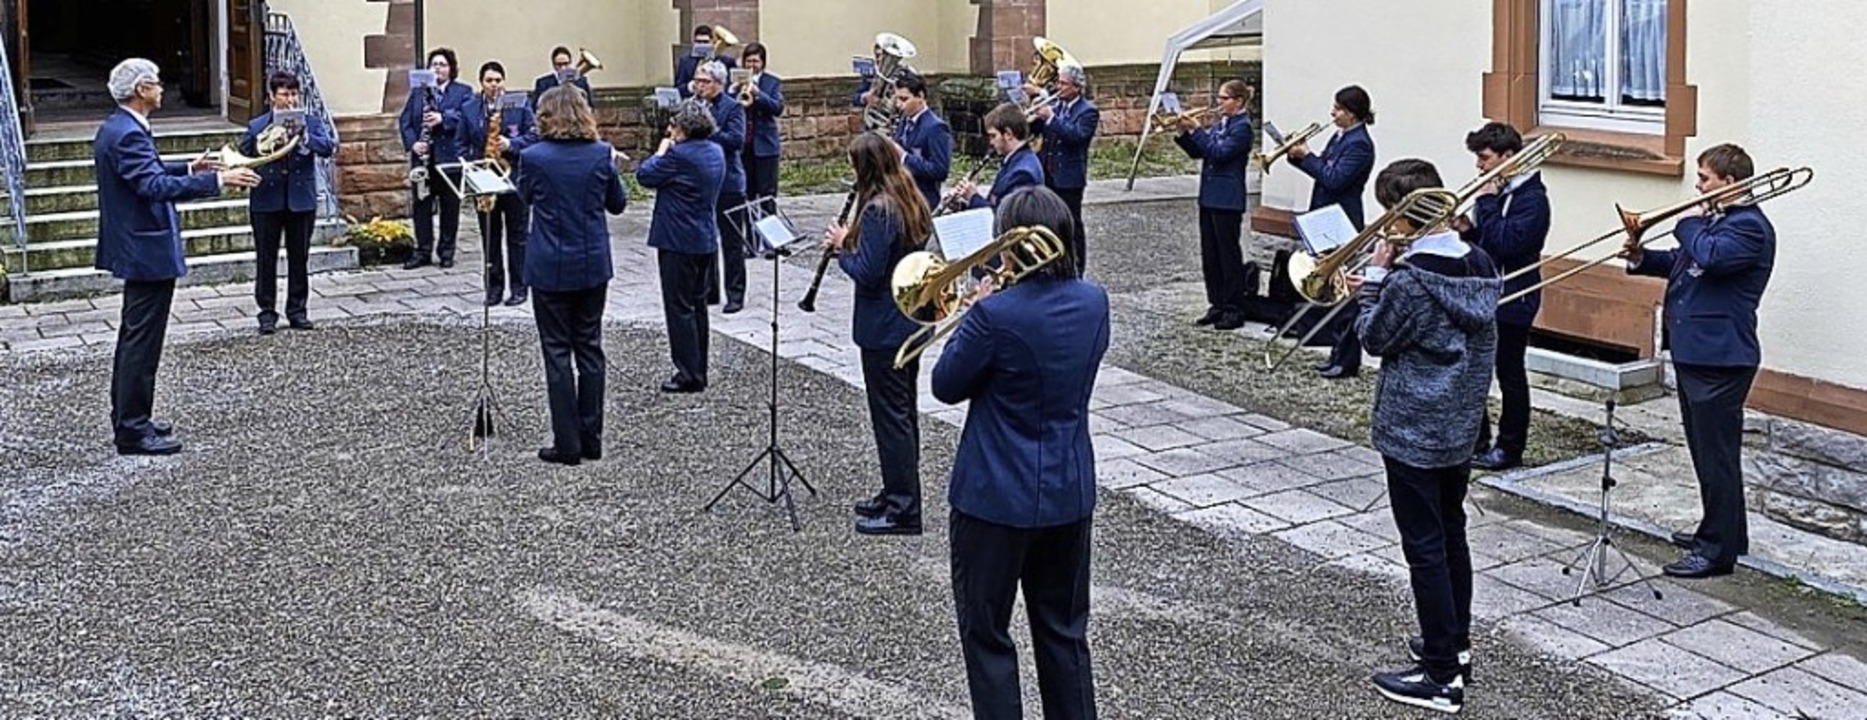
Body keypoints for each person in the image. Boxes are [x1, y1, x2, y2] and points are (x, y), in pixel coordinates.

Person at [932, 186, 1110, 720]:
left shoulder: (994, 315)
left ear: (1009, 244)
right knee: (1064, 632)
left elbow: (946, 384)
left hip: (993, 497)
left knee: (987, 635)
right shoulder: (1094, 301)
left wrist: (973, 314)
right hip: (1067, 490)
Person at [1349, 159, 1498, 714]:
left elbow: (1374, 337)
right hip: (1459, 422)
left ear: (1401, 214)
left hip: (1413, 425)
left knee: (1425, 549)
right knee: (1451, 533)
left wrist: (1374, 282)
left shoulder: (1412, 280)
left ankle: (1440, 676)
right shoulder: (1479, 261)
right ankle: (1454, 644)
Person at [93, 58, 259, 455]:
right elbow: (151, 185)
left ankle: (132, 418)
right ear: (141, 90)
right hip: (145, 248)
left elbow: (145, 171)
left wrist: (188, 167)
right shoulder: (128, 133)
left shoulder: (120, 127)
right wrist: (217, 179)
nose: (161, 87)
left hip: (138, 245)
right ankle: (133, 429)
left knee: (136, 338)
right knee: (141, 342)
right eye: (155, 82)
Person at [1628, 144, 1776, 580]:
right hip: (1699, 352)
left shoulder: (1749, 227)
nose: (1697, 187)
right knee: (1708, 453)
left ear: (1729, 182)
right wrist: (1640, 257)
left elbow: (1710, 256)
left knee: (1716, 458)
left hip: (1720, 357)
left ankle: (1716, 552)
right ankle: (1727, 533)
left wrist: (1686, 221)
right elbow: (1685, 262)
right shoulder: (1718, 223)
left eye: (1705, 179)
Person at [822, 133, 934, 535]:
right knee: (902, 412)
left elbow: (868, 273)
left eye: (854, 164)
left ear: (866, 167)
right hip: (910, 319)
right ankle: (897, 491)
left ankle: (904, 509)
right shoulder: (910, 197)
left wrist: (841, 248)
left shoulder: (878, 210)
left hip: (885, 327)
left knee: (891, 419)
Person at [519, 86, 628, 465]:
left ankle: (567, 444)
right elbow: (618, 204)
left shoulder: (533, 157)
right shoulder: (601, 153)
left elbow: (524, 197)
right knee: (590, 348)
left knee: (556, 352)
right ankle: (591, 438)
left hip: (549, 264)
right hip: (591, 262)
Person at [1456, 122, 1550, 471]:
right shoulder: (1501, 191)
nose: (1479, 166)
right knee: (1471, 368)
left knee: (1509, 373)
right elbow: (1488, 245)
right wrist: (1468, 231)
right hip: (1485, 291)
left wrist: (1485, 203)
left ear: (1507, 156)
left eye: (1484, 158)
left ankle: (1510, 448)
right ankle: (1475, 440)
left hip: (1515, 297)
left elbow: (1508, 244)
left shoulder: (1533, 200)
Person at [1289, 84, 1377, 379]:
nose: (1333, 113)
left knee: (1344, 292)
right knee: (1331, 289)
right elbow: (1322, 172)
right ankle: (1335, 352)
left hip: (1342, 221)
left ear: (1352, 113)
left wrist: (1308, 156)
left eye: (1338, 109)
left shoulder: (1359, 144)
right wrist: (1295, 156)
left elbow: (1335, 179)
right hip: (1325, 218)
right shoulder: (1341, 136)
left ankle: (1347, 358)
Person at [637, 100, 725, 393]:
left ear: (685, 128)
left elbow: (645, 175)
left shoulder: (678, 155)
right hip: (704, 238)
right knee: (698, 306)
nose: (669, 130)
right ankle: (699, 368)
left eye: (673, 125)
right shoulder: (715, 150)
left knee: (679, 308)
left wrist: (661, 151)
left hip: (678, 240)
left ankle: (687, 373)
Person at [241, 70, 335, 335]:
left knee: (299, 258)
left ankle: (297, 311)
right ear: (272, 97)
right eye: (284, 94)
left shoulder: (311, 123)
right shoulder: (257, 126)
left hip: (300, 199)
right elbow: (243, 155)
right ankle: (266, 313)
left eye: (294, 94)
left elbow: (328, 147)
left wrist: (304, 138)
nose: (291, 100)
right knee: (266, 258)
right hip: (266, 199)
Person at [1173, 79, 1254, 331]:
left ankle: (1233, 307)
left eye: (1224, 98)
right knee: (1210, 254)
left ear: (1238, 101)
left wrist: (1197, 129)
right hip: (1209, 195)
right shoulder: (1222, 124)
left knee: (1228, 255)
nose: (1218, 102)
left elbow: (1219, 153)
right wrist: (1184, 134)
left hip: (1227, 198)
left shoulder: (1243, 127)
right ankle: (1216, 303)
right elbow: (1201, 152)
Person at [398, 47, 476, 270]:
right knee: (421, 206)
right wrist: (414, 144)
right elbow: (405, 121)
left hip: (449, 159)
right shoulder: (419, 93)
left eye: (443, 64)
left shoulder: (463, 91)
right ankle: (422, 251)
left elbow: (467, 117)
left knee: (450, 207)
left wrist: (443, 118)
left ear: (451, 69)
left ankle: (446, 251)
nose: (438, 69)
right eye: (434, 64)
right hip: (423, 160)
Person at [471, 60, 538, 307]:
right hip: (485, 180)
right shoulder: (470, 108)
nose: (494, 85)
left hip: (514, 178)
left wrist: (511, 144)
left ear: (504, 82)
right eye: (489, 81)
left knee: (518, 237)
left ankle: (519, 288)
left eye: (498, 80)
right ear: (481, 83)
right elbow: (461, 142)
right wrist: (474, 166)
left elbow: (534, 136)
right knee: (490, 238)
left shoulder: (520, 105)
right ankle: (493, 289)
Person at [1027, 64, 1100, 272]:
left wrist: (1050, 117)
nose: (1059, 88)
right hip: (1047, 174)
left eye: (1064, 84)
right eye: (1058, 83)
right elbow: (1036, 131)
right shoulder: (1056, 106)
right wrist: (1032, 113)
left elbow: (1076, 136)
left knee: (1071, 223)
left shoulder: (1088, 111)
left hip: (1069, 178)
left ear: (1077, 87)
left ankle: (1077, 267)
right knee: (1047, 220)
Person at [691, 60, 750, 314]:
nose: (699, 86)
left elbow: (736, 141)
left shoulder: (733, 107)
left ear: (718, 83)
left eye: (704, 82)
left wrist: (706, 129)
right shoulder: (694, 105)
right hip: (702, 182)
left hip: (728, 183)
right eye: (697, 81)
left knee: (732, 242)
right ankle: (709, 290)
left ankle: (735, 293)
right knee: (706, 238)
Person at [954, 103, 1042, 210]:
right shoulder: (1013, 161)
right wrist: (963, 205)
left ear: (1008, 134)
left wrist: (973, 197)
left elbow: (1006, 216)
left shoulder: (1023, 173)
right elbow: (995, 205)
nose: (991, 142)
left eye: (993, 136)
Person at [886, 72, 951, 212]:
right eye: (897, 99)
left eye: (904, 99)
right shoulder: (904, 120)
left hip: (922, 200)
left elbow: (940, 170)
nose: (899, 105)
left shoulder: (936, 127)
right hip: (901, 195)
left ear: (920, 96)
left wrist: (904, 157)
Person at [737, 42, 785, 220]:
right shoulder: (736, 81)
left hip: (765, 147)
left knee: (767, 196)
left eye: (755, 61)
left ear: (763, 63)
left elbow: (777, 108)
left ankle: (770, 234)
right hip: (744, 146)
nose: (752, 65)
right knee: (746, 194)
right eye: (748, 61)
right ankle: (750, 233)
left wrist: (758, 94)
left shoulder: (772, 82)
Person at [674, 25, 736, 99]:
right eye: (698, 42)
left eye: (705, 42)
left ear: (712, 42)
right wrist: (691, 86)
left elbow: (730, 86)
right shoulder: (685, 61)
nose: (702, 45)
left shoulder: (726, 62)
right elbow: (678, 87)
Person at [530, 46, 593, 110]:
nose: (563, 68)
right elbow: (536, 107)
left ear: (571, 63)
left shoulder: (581, 81)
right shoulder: (543, 83)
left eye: (566, 64)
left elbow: (589, 106)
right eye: (559, 65)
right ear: (553, 65)